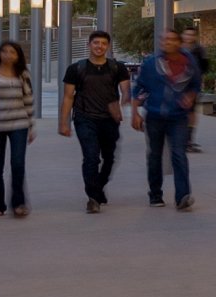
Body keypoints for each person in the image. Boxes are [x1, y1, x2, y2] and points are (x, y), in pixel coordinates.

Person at [61, 30, 133, 212]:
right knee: (91, 157)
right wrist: (64, 122)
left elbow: (125, 89)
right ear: (89, 45)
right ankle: (93, 198)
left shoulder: (117, 68)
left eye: (103, 43)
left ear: (108, 47)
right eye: (96, 43)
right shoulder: (76, 69)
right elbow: (68, 97)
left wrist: (124, 98)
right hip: (85, 119)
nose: (99, 46)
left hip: (109, 120)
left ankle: (98, 187)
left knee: (109, 158)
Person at [131, 24, 199, 210]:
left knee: (179, 154)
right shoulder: (151, 63)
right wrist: (135, 113)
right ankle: (155, 194)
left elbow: (195, 85)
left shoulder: (189, 62)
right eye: (163, 40)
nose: (166, 42)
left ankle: (183, 196)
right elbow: (138, 88)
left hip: (178, 117)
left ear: (178, 42)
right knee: (155, 155)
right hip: (154, 116)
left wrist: (190, 96)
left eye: (170, 39)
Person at [0, 38, 36, 218]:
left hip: (19, 124)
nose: (8, 55)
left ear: (18, 56)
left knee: (18, 164)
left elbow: (28, 101)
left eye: (12, 52)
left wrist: (32, 126)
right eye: (4, 51)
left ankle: (19, 202)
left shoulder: (23, 74)